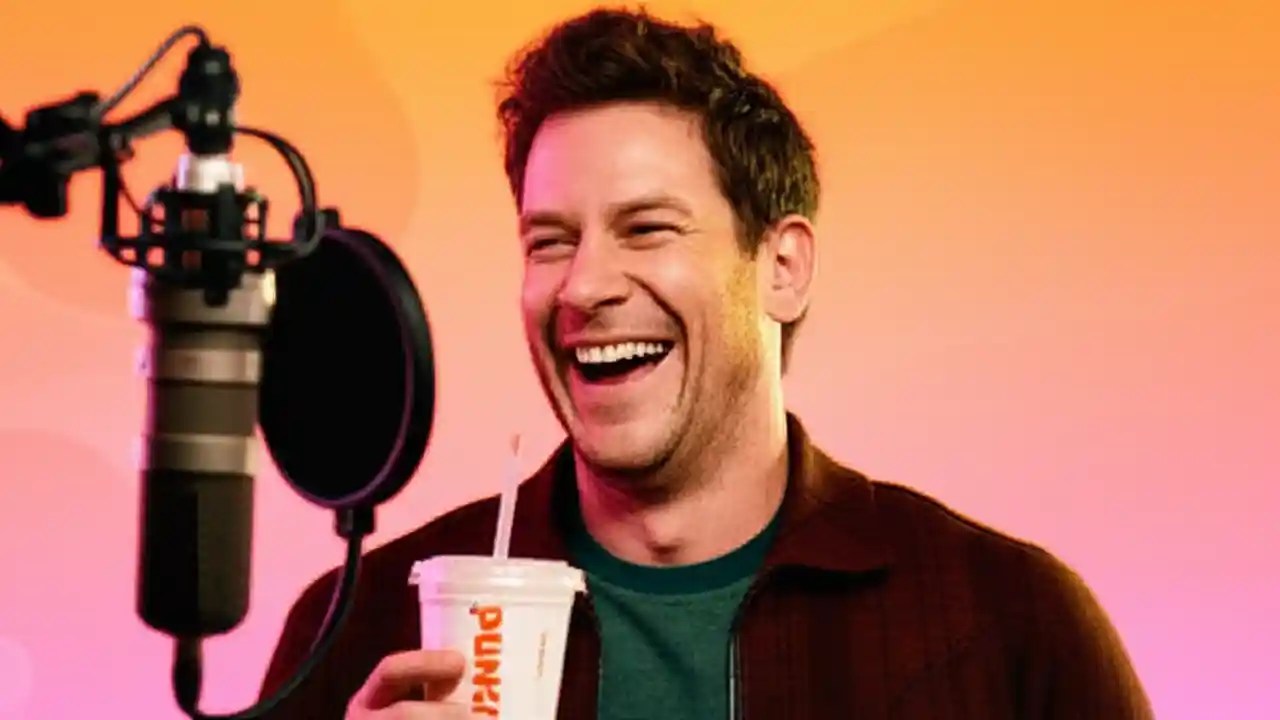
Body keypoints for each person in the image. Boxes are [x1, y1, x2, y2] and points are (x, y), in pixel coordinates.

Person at [259, 7, 1154, 719]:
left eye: (646, 229)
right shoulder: (360, 632)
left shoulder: (1008, 626)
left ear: (783, 266)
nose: (583, 286)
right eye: (549, 241)